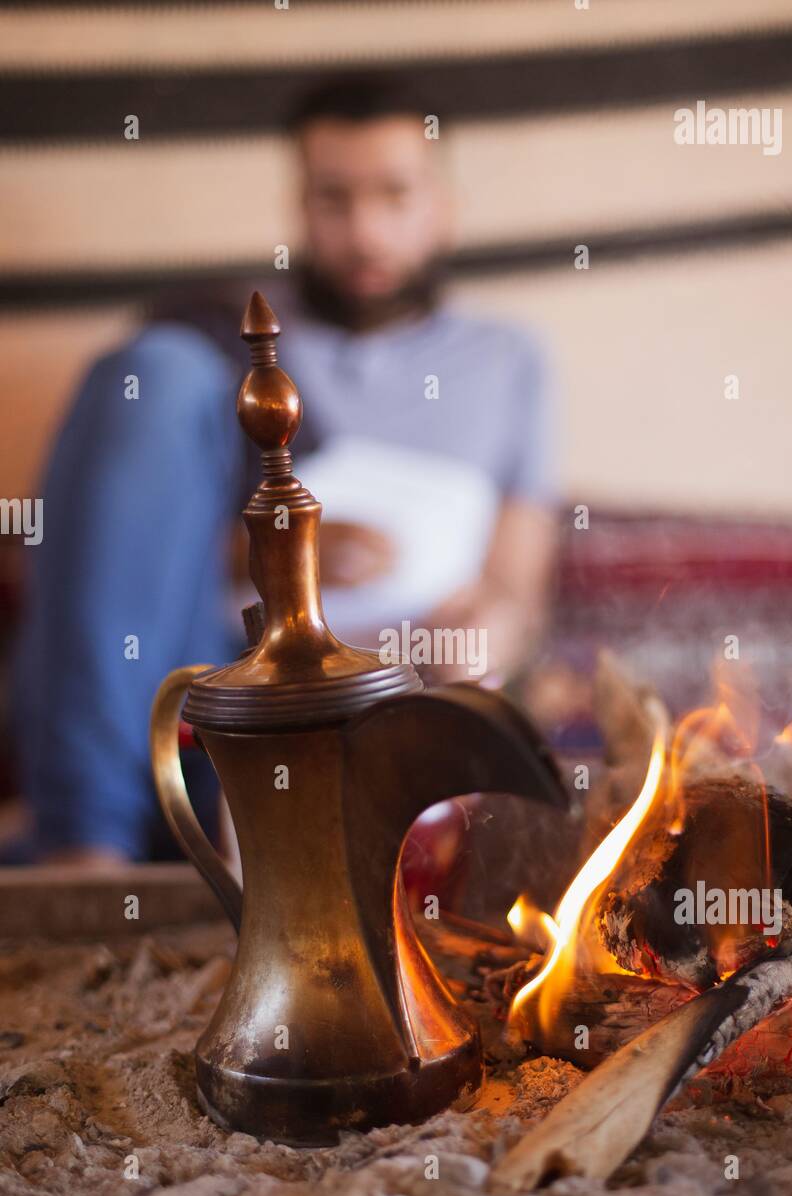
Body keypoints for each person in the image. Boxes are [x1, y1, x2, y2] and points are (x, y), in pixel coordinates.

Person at [13, 75, 559, 865]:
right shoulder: (233, 335)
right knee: (153, 367)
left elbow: (519, 586)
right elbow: (131, 545)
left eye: (395, 196)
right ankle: (86, 849)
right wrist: (283, 553)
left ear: (444, 204)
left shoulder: (509, 361)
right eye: (333, 200)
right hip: (209, 680)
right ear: (299, 208)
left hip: (388, 706)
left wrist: (483, 633)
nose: (364, 231)